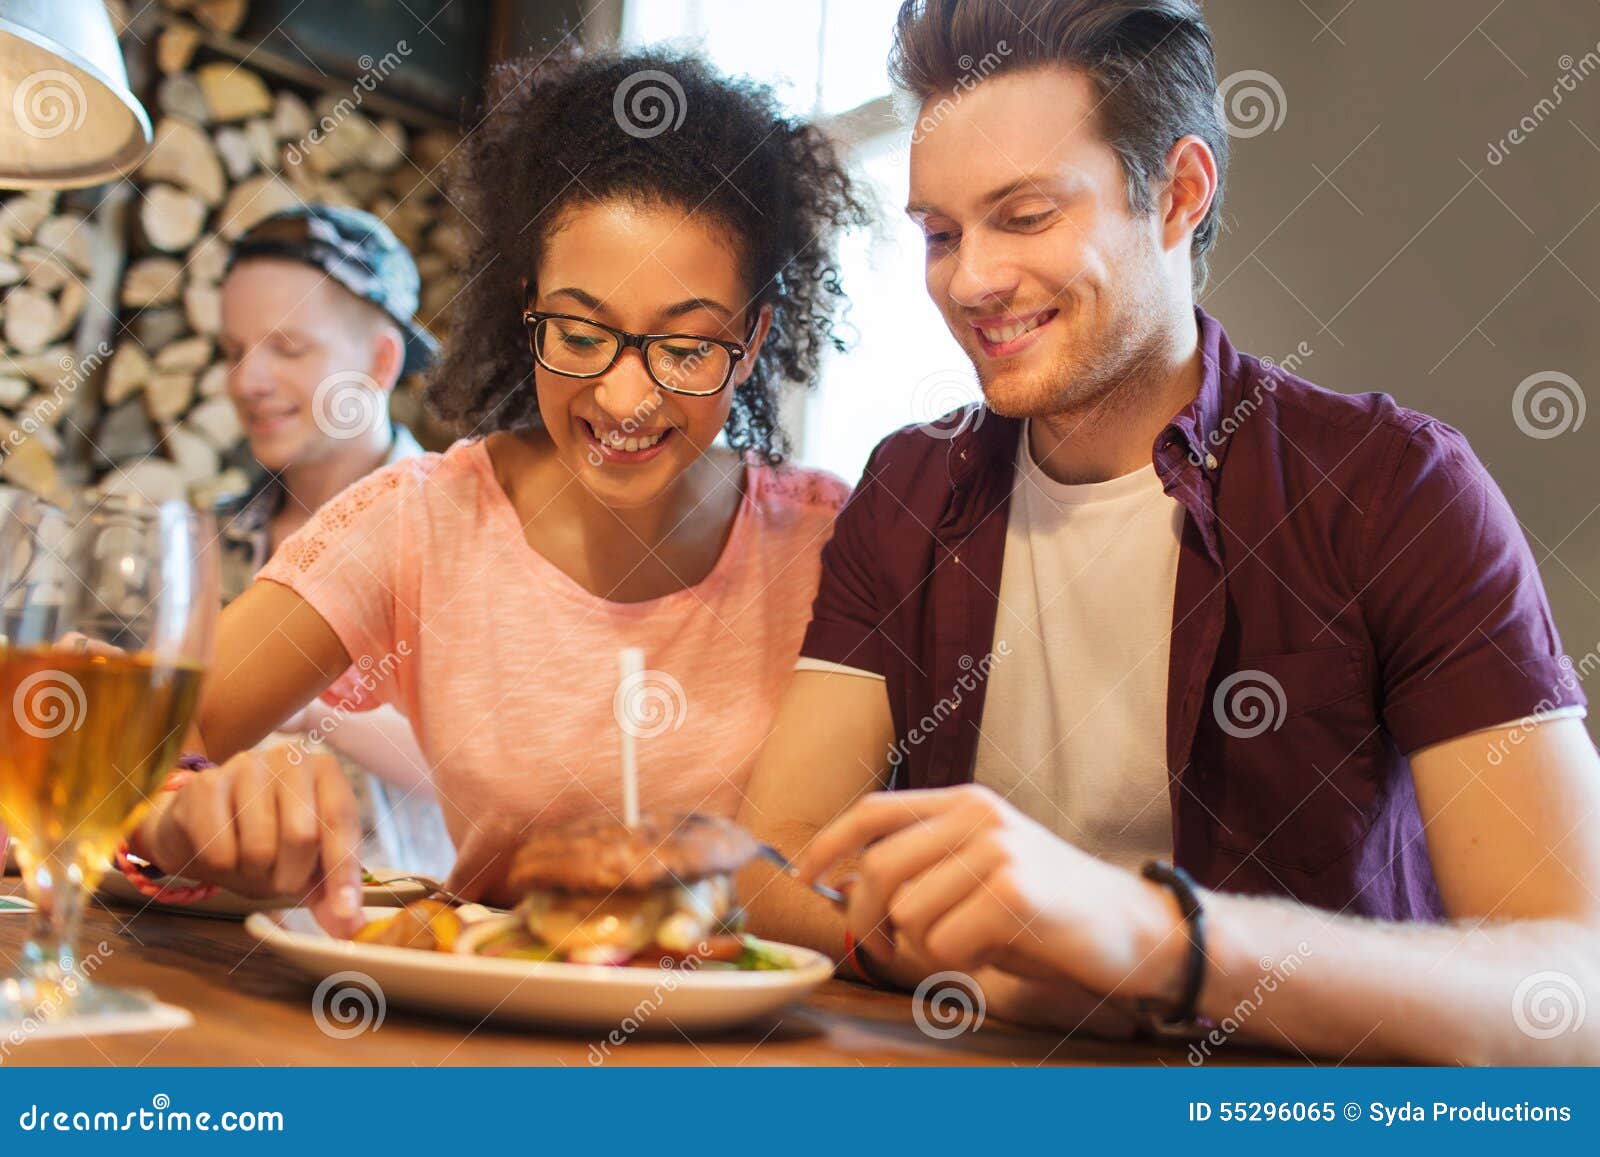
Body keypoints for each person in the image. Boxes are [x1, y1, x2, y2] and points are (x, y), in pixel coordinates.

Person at [739, 0, 1600, 1064]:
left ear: (1179, 194)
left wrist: (1157, 937)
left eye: (1024, 215)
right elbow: (769, 873)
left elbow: (1573, 981)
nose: (969, 281)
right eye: (941, 233)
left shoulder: (1394, 489)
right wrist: (1021, 978)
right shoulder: (910, 486)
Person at [124, 48, 866, 930]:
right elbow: (134, 757)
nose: (626, 399)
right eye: (582, 333)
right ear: (528, 307)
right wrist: (181, 817)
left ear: (752, 342)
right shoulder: (420, 521)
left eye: (687, 346)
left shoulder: (838, 545)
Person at [214, 205, 450, 875]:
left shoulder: (468, 530)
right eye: (233, 351)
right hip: (200, 928)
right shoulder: (210, 542)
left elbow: (508, 773)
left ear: (379, 362)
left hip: (404, 939)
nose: (245, 381)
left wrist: (288, 701)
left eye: (287, 348)